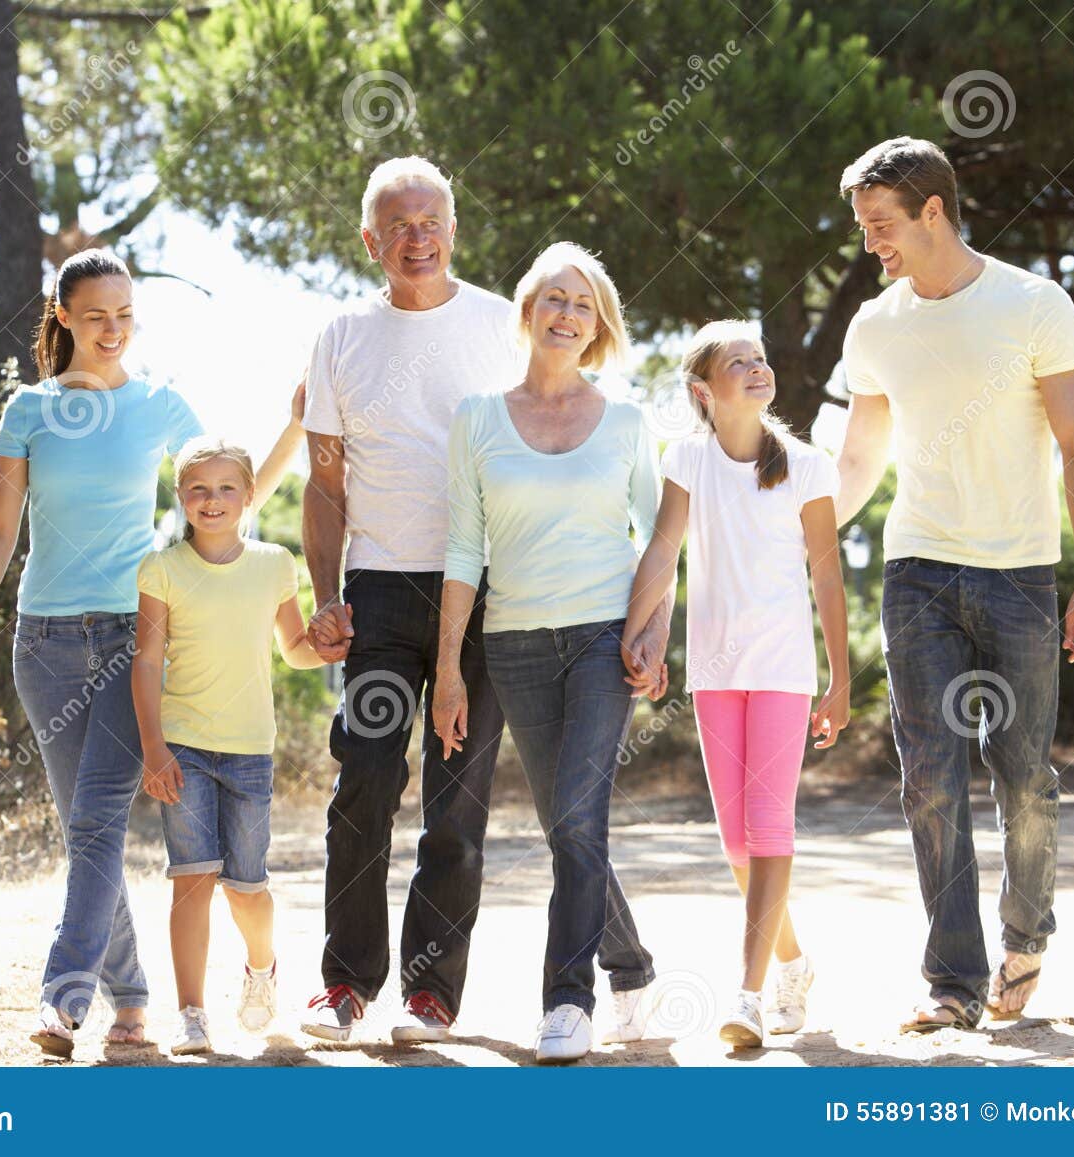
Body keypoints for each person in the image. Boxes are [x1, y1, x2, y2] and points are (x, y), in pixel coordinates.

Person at [0, 248, 304, 1059]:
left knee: (98, 819)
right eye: (97, 315)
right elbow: (1, 528)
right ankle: (135, 1000)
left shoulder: (158, 404)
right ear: (64, 315)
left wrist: (292, 426)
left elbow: (237, 482)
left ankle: (62, 996)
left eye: (125, 315)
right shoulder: (31, 410)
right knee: (85, 833)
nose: (113, 330)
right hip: (40, 641)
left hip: (128, 639)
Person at [833, 138, 1074, 1033]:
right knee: (929, 778)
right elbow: (860, 456)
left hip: (1021, 570)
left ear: (934, 211)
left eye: (882, 225)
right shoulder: (875, 325)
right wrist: (803, 529)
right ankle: (953, 980)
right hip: (916, 568)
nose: (871, 243)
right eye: (863, 227)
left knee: (1025, 776)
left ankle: (1026, 934)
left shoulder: (1035, 304)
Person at [298, 157, 520, 1044]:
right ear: (370, 241)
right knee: (365, 781)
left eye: (431, 221)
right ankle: (346, 984)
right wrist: (325, 595)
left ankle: (432, 995)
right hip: (381, 591)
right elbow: (323, 485)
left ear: (453, 230)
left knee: (456, 797)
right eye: (399, 225)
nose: (417, 238)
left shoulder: (505, 324)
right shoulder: (342, 336)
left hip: (484, 586)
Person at [435, 242, 666, 1063]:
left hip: (605, 636)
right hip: (514, 643)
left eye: (583, 304)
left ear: (596, 325)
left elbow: (661, 542)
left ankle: (568, 1002)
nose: (567, 314)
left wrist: (653, 630)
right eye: (554, 299)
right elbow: (464, 548)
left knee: (575, 816)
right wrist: (449, 666)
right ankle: (632, 964)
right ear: (527, 310)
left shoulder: (631, 422)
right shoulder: (478, 419)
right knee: (568, 826)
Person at [624, 320, 849, 1049]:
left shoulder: (809, 465)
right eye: (738, 362)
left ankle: (748, 996)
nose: (757, 367)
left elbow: (827, 573)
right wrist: (637, 631)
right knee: (736, 843)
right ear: (702, 391)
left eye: (760, 356)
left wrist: (840, 677)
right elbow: (664, 547)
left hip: (784, 672)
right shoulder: (687, 458)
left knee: (770, 828)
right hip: (716, 672)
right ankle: (793, 962)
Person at [132, 437, 323, 1055]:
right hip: (183, 745)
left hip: (248, 752)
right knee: (191, 879)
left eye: (226, 489)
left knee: (247, 886)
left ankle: (261, 968)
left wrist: (328, 641)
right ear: (181, 497)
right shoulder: (160, 570)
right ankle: (190, 1013)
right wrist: (153, 746)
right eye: (198, 489)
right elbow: (146, 661)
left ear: (247, 496)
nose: (211, 501)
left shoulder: (273, 564)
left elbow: (295, 651)